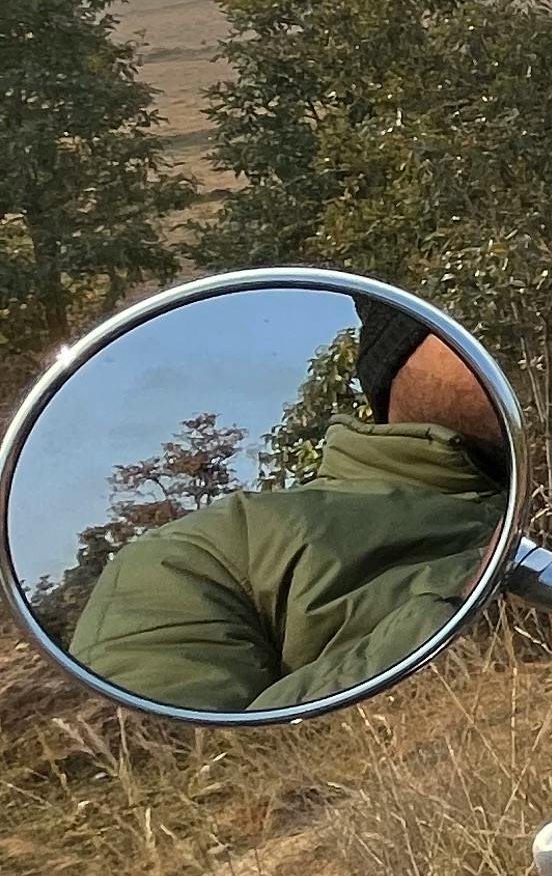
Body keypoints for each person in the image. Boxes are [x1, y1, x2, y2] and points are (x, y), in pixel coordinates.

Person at [67, 302, 509, 715]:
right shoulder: (194, 557)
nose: (525, 337)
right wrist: (465, 608)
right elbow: (185, 767)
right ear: (396, 359)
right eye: (472, 319)